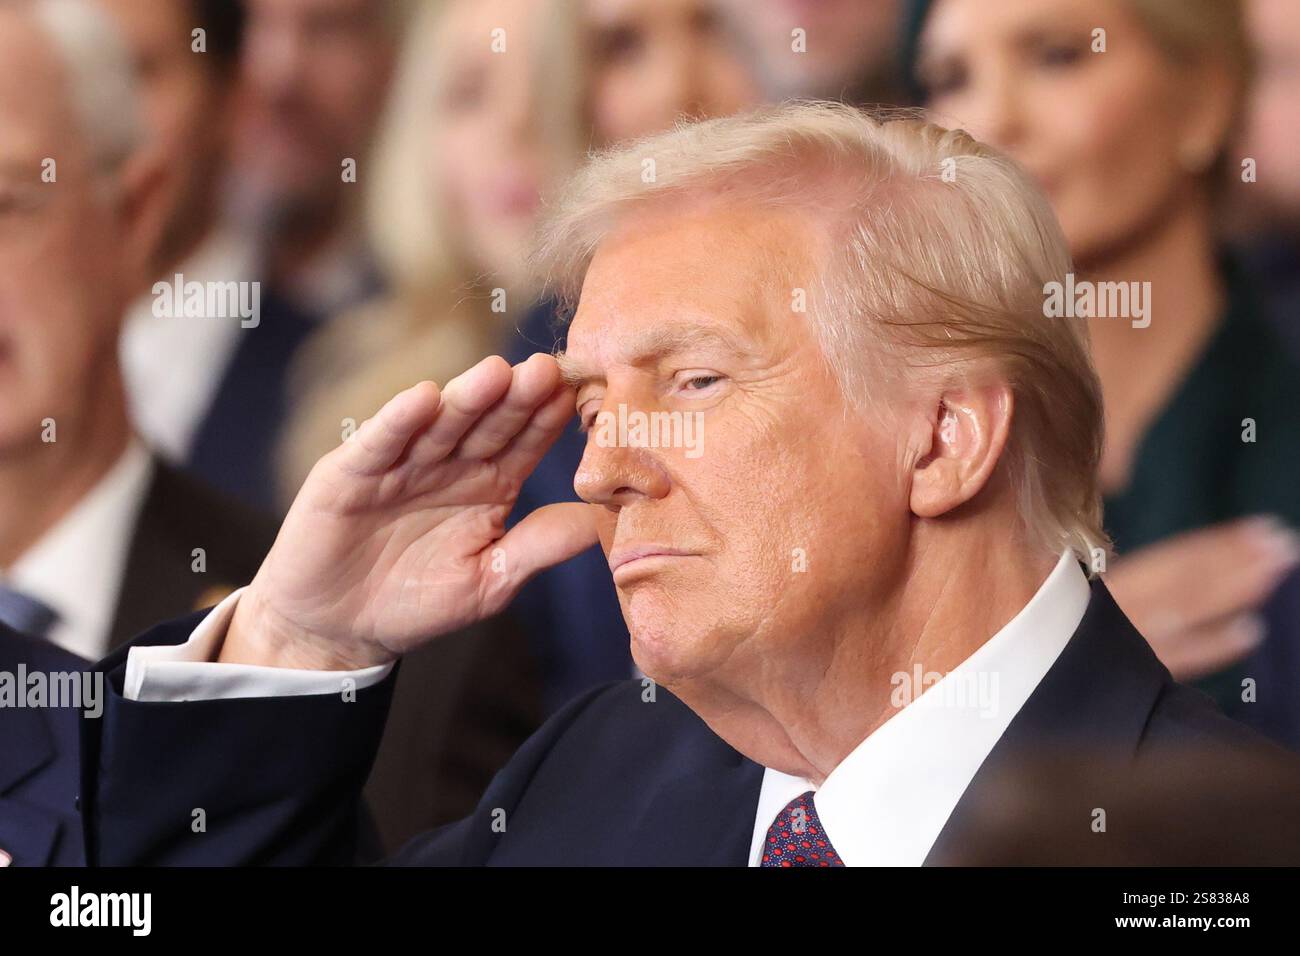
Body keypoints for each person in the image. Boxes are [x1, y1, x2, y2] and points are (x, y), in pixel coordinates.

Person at [83, 102, 1300, 866]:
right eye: (599, 406)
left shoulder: (1211, 838)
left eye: (698, 381)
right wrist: (301, 637)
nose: (603, 467)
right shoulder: (591, 774)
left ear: (942, 441)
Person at [907, 0, 1300, 745]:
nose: (993, 120)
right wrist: (1064, 665)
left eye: (1057, 57)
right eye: (951, 78)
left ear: (1205, 100)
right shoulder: (892, 446)